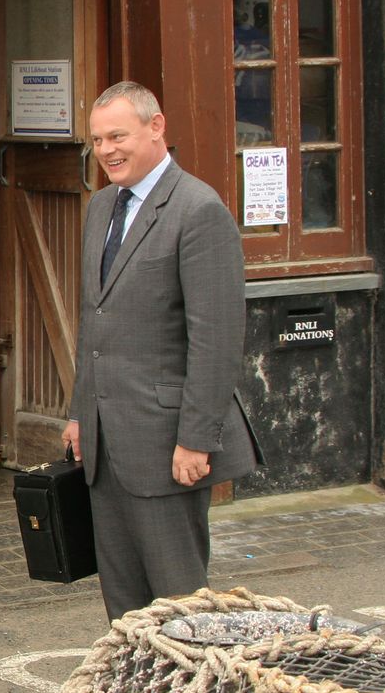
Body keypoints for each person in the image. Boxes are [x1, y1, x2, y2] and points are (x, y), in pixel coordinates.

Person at [63, 82, 261, 620]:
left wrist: (196, 439)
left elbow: (217, 340)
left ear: (157, 128)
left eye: (118, 136)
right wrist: (81, 413)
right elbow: (94, 319)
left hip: (168, 442)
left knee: (179, 603)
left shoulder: (198, 209)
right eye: (98, 140)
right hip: (106, 442)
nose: (106, 151)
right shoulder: (102, 206)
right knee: (123, 606)